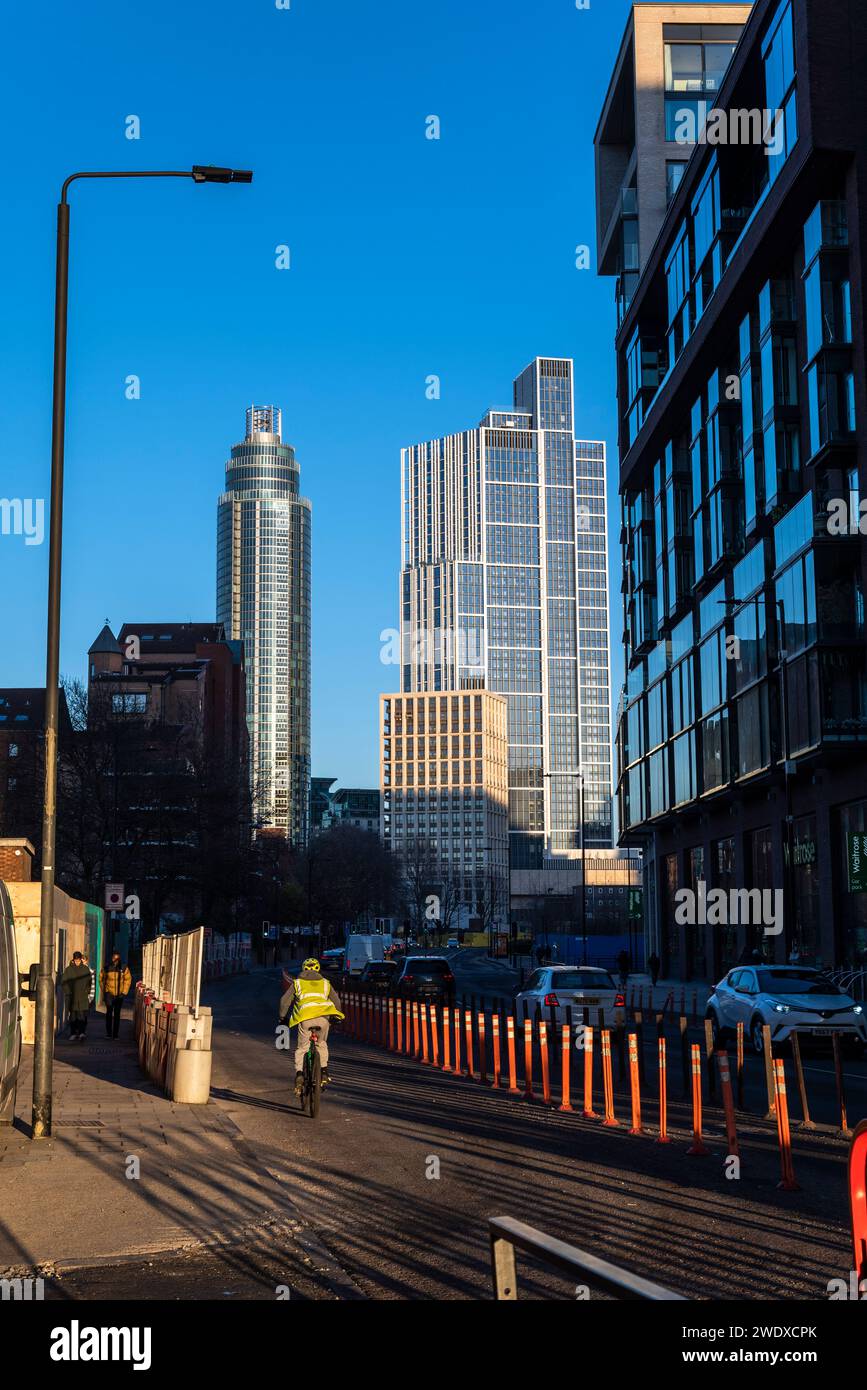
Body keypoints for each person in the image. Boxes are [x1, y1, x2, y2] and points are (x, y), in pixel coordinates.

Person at [279, 957, 344, 1096]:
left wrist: (283, 1018)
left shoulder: (297, 983)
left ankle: (300, 1074)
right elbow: (336, 1001)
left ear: (303, 969)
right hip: (323, 1018)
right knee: (321, 1044)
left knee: (302, 1048)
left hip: (305, 1018)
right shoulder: (326, 983)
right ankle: (324, 1071)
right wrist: (337, 1016)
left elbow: (284, 1001)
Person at [100, 951, 132, 1039]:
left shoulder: (124, 967)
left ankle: (115, 1035)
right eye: (114, 958)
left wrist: (124, 992)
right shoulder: (106, 967)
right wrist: (105, 991)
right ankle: (109, 1034)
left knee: (117, 1014)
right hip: (109, 994)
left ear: (119, 959)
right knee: (109, 1013)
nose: (115, 960)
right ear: (112, 958)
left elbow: (128, 980)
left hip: (119, 995)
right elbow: (101, 979)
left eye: (117, 958)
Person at [62, 951, 92, 1041]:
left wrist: (87, 990)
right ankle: (73, 1033)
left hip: (82, 997)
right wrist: (68, 992)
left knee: (82, 1016)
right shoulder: (68, 970)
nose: (77, 962)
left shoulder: (85, 969)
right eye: (76, 960)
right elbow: (64, 982)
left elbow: (89, 981)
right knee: (73, 1016)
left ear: (80, 960)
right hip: (72, 997)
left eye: (78, 960)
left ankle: (82, 1033)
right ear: (73, 960)